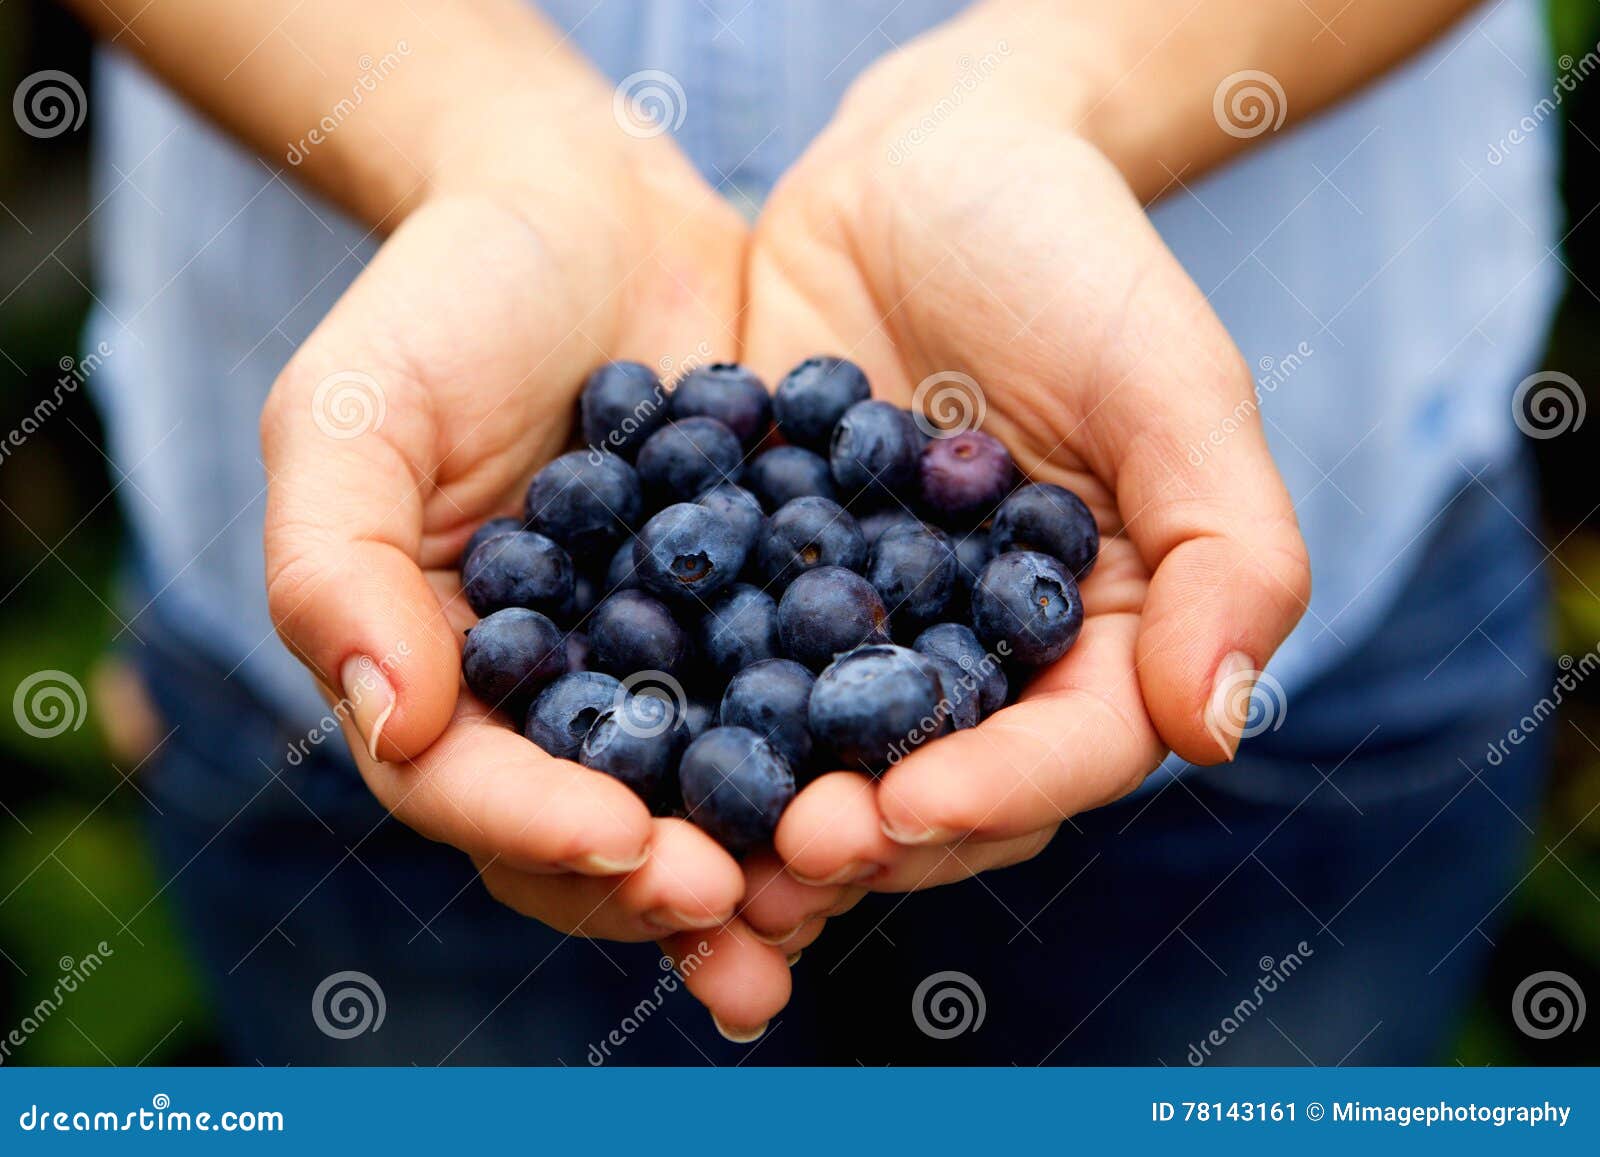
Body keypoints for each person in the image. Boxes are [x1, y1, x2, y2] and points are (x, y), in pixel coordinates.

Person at [70, 0, 1558, 1062]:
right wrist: (484, 138)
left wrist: (1073, 84)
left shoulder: (912, 541)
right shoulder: (635, 555)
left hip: (1317, 589)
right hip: (362, 659)